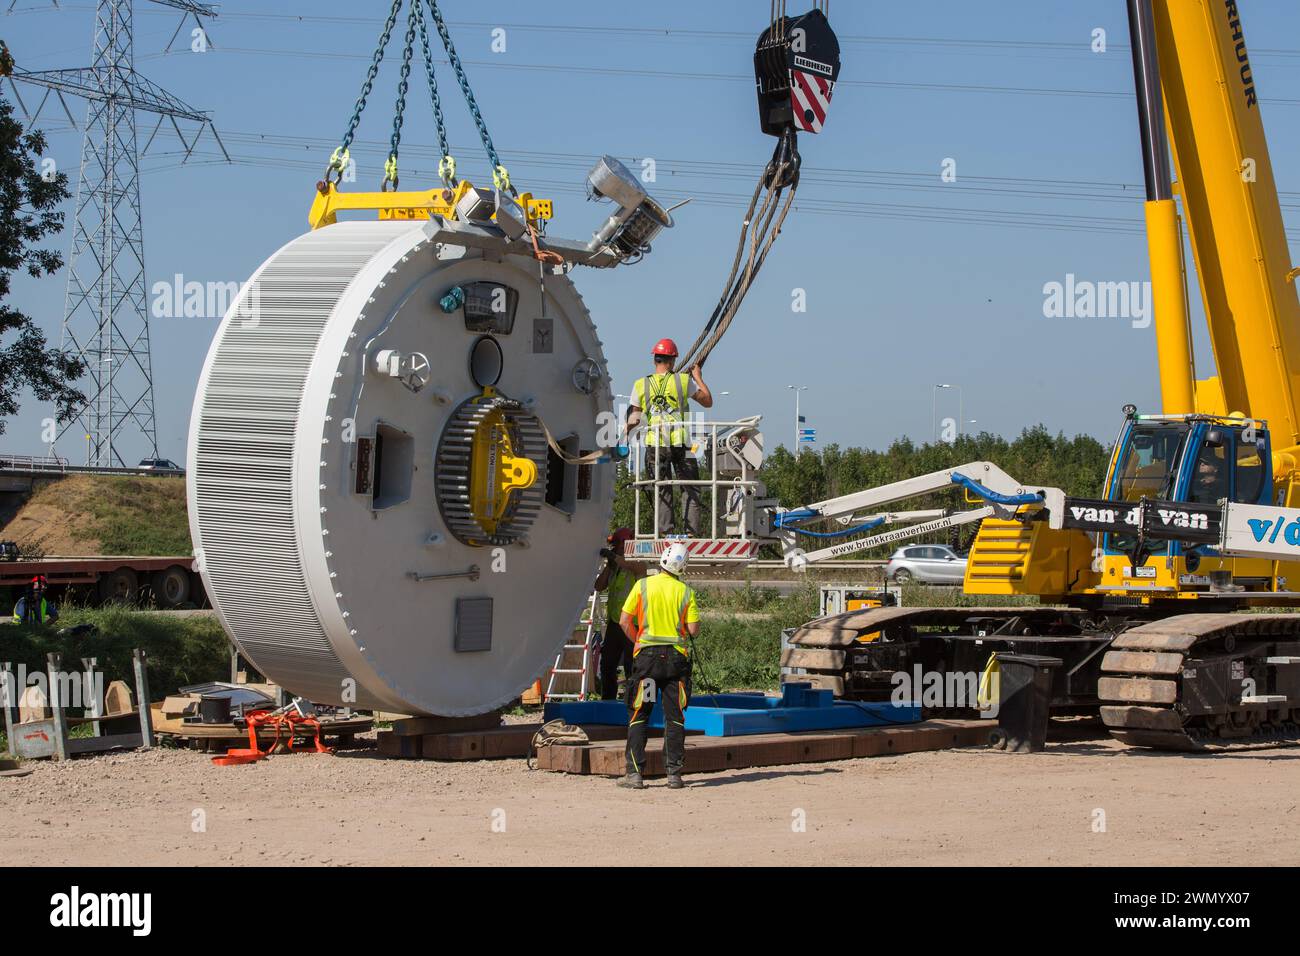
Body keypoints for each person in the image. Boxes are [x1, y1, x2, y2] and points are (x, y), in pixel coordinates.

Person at [617, 541, 698, 790]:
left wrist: (639, 641)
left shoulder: (642, 586)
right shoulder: (685, 592)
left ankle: (635, 775)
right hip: (674, 664)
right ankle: (673, 774)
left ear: (662, 559)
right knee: (674, 717)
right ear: (682, 567)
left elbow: (624, 621)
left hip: (648, 662)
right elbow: (693, 630)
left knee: (640, 713)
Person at [625, 338, 713, 536]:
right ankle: (691, 533)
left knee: (661, 489)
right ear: (672, 361)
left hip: (655, 445)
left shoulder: (640, 384)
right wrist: (697, 377)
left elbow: (635, 417)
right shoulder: (683, 381)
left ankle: (665, 532)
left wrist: (625, 431)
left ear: (655, 360)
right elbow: (707, 401)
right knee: (690, 488)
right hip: (682, 444)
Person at [593, 527, 638, 700]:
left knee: (631, 666)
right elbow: (599, 586)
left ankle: (634, 701)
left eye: (618, 546)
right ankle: (608, 700)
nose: (616, 550)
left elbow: (631, 565)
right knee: (607, 664)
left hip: (631, 624)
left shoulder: (636, 563)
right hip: (614, 623)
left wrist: (614, 558)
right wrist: (608, 567)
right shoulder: (615, 566)